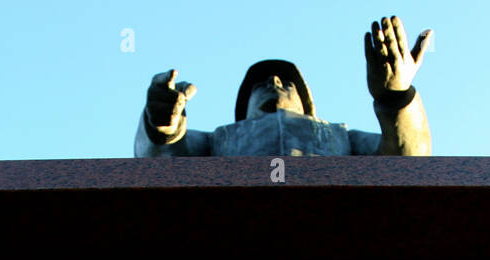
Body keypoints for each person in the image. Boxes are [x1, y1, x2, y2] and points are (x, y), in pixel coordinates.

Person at [135, 15, 432, 157]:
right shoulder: (218, 140)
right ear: (243, 106)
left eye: (286, 81)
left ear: (306, 103)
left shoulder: (341, 136)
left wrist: (396, 97)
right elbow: (161, 157)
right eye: (261, 83)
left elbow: (407, 158)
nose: (274, 83)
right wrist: (163, 126)